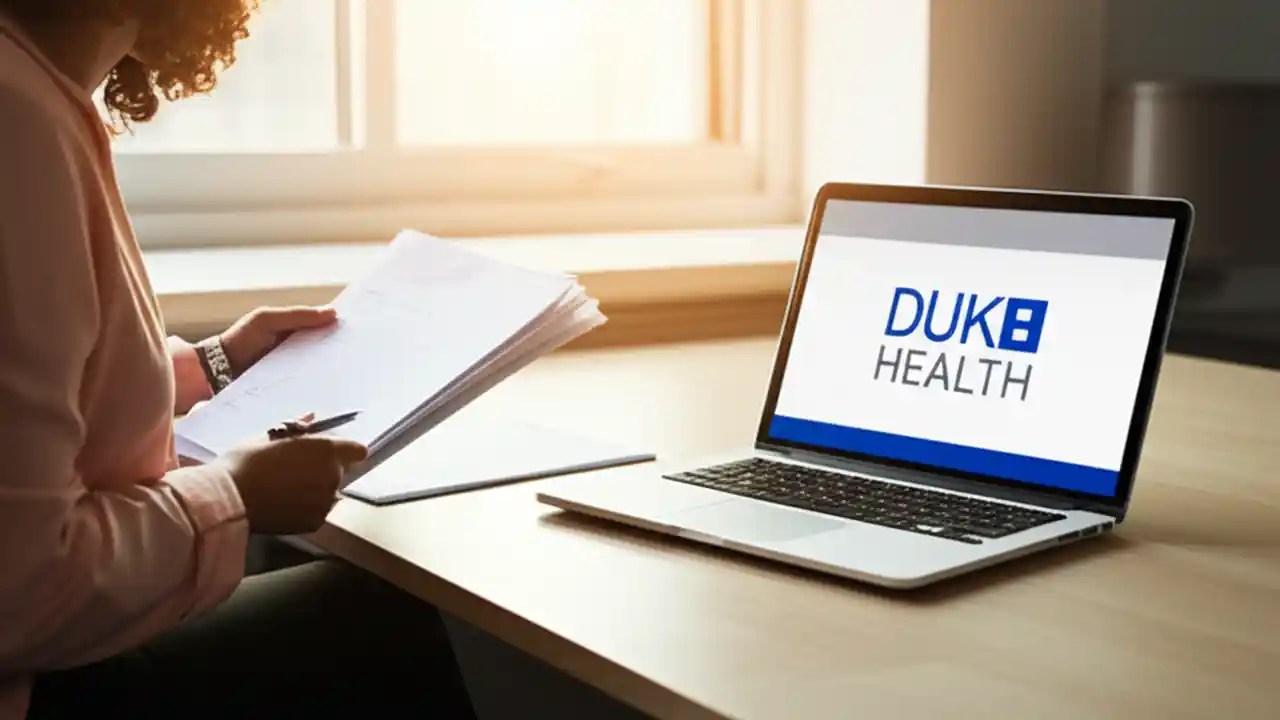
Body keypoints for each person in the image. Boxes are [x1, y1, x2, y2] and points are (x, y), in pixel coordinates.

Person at [0, 2, 474, 717]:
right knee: (368, 622)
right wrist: (234, 497)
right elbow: (20, 588)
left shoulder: (39, 90)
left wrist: (210, 365)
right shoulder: (16, 124)